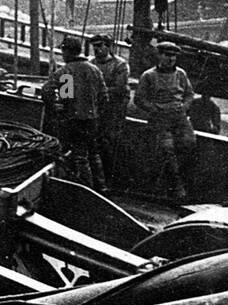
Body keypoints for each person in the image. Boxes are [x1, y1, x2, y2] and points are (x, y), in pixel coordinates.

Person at [133, 41, 197, 203]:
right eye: (167, 55)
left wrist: (184, 106)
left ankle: (175, 179)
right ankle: (176, 187)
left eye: (173, 56)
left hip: (179, 117)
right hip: (160, 119)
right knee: (167, 149)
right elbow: (139, 99)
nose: (170, 59)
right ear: (159, 55)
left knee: (189, 143)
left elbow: (189, 94)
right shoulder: (149, 76)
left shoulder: (181, 74)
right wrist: (154, 109)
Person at [41, 35, 107, 190]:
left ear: (68, 52)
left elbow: (57, 94)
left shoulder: (67, 71)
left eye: (63, 51)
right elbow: (104, 96)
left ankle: (88, 189)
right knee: (94, 153)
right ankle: (102, 186)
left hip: (75, 119)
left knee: (80, 156)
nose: (62, 55)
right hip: (92, 119)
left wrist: (54, 105)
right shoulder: (94, 69)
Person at [89, 34, 130, 190]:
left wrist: (96, 91)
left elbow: (119, 89)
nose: (97, 49)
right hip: (96, 110)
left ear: (109, 46)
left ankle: (115, 181)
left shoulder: (120, 65)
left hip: (114, 111)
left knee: (111, 144)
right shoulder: (91, 64)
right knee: (96, 144)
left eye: (100, 46)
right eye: (95, 46)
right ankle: (100, 181)